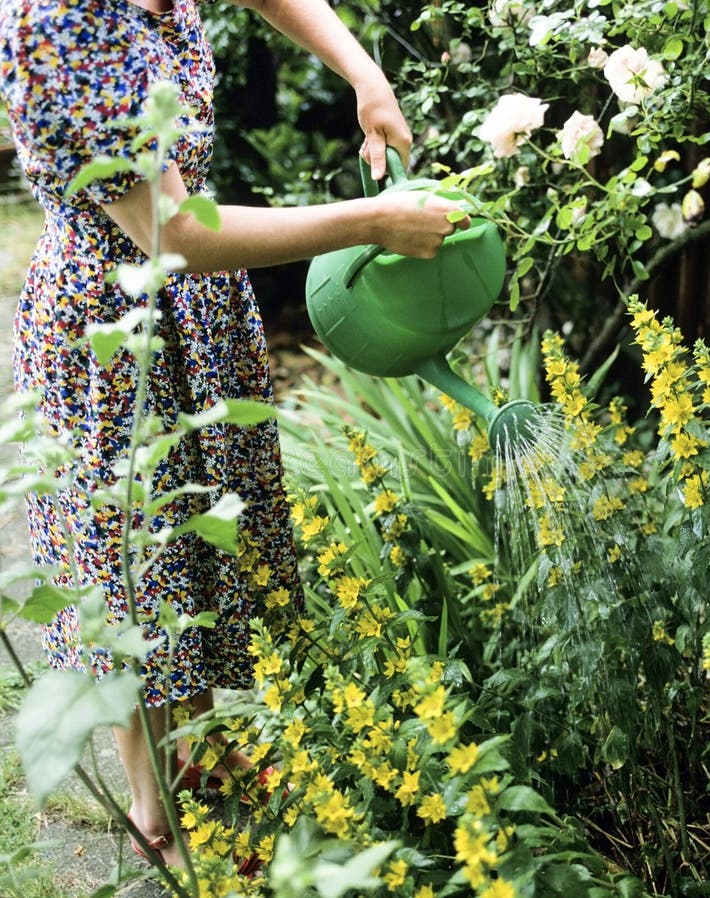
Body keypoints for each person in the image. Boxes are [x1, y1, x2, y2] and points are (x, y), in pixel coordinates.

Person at [0, 0, 468, 869]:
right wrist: (371, 223)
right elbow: (172, 231)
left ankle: (203, 749)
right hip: (115, 328)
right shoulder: (54, 22)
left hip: (198, 307)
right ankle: (155, 809)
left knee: (201, 539)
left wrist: (363, 73)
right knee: (137, 559)